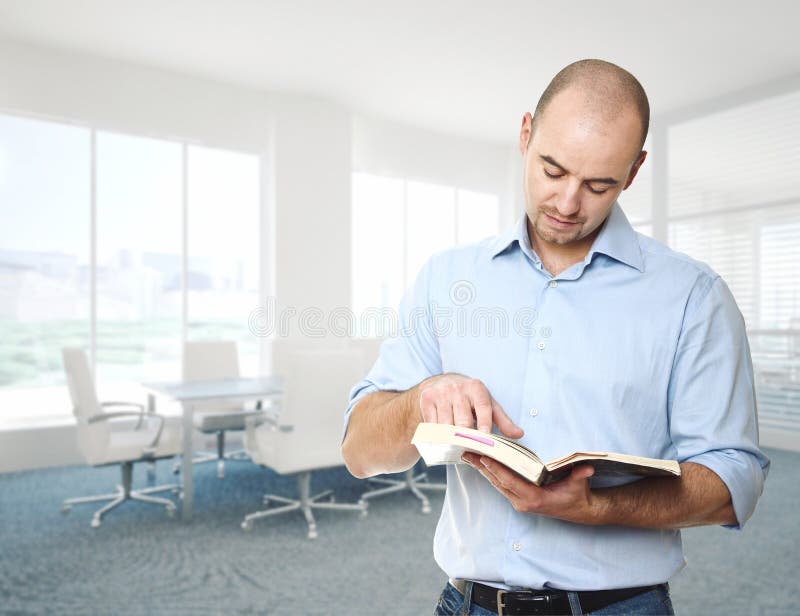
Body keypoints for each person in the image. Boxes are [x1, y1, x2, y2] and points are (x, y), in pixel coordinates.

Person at [341, 59, 770, 616]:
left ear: (634, 172)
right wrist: (419, 401)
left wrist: (596, 507)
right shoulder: (447, 279)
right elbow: (358, 452)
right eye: (552, 169)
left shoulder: (694, 297)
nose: (568, 204)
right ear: (526, 134)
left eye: (599, 185)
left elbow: (733, 480)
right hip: (467, 605)